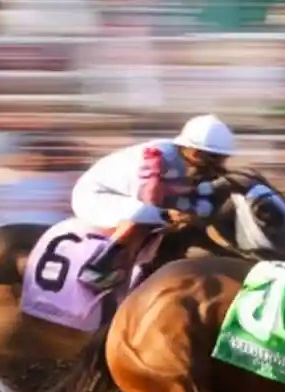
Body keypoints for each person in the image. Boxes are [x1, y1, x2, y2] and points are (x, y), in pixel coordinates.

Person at [71, 114, 235, 290]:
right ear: (193, 152)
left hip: (132, 196)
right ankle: (99, 268)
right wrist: (172, 211)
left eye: (221, 159)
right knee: (143, 215)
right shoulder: (155, 156)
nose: (217, 166)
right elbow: (147, 199)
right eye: (213, 158)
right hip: (96, 197)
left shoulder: (190, 162)